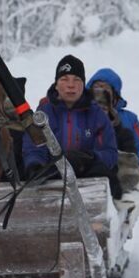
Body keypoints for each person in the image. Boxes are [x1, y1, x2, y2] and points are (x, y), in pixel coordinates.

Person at [22, 55, 122, 198]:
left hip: (88, 178)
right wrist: (35, 165)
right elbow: (33, 148)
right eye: (64, 79)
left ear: (83, 84)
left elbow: (110, 153)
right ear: (56, 84)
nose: (71, 85)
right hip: (52, 177)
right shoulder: (43, 112)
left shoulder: (97, 115)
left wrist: (88, 158)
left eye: (77, 79)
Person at [86, 68, 139, 172]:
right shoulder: (80, 115)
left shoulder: (129, 119)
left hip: (124, 174)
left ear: (115, 95)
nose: (100, 93)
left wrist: (136, 166)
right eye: (96, 88)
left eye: (105, 89)